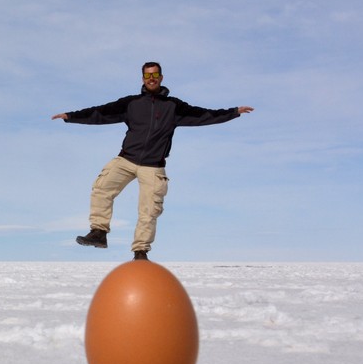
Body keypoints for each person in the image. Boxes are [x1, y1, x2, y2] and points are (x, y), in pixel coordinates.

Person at [51, 62, 253, 261]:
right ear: (143, 79)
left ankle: (140, 252)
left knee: (148, 210)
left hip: (153, 166)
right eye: (148, 76)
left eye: (155, 75)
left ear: (161, 78)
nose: (152, 79)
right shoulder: (131, 103)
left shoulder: (174, 106)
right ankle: (99, 232)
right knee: (101, 188)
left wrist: (233, 112)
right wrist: (70, 116)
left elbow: (204, 115)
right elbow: (101, 112)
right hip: (126, 159)